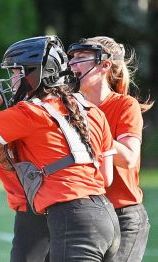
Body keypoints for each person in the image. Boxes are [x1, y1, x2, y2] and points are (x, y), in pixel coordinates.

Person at [0, 35, 120, 261]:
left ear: (36, 74)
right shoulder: (91, 110)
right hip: (107, 218)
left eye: (16, 72)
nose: (12, 79)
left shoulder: (29, 112)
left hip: (72, 217)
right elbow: (106, 177)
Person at [67, 36, 153, 262]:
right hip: (87, 213)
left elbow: (129, 157)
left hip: (124, 215)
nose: (72, 63)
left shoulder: (125, 105)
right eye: (72, 58)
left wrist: (90, 131)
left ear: (105, 65)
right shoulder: (69, 106)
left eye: (81, 57)